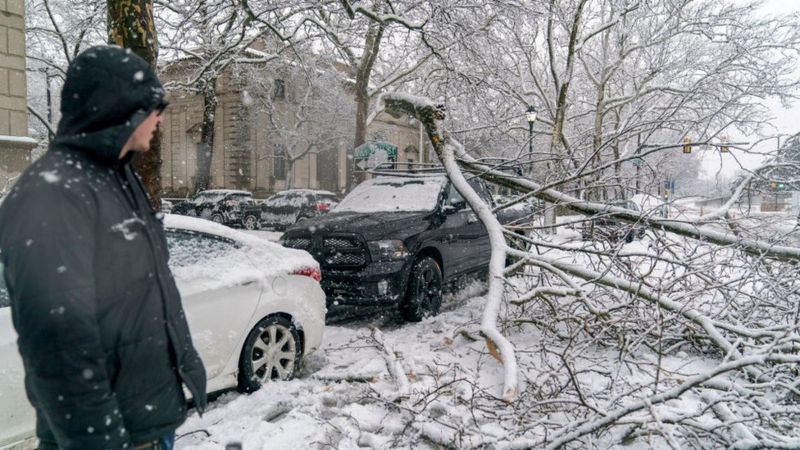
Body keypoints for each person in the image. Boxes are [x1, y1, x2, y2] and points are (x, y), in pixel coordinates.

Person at [0, 46, 206, 449]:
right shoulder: (52, 194)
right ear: (119, 110)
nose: (159, 118)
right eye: (153, 106)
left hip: (147, 420)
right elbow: (59, 346)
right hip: (112, 436)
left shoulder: (115, 177)